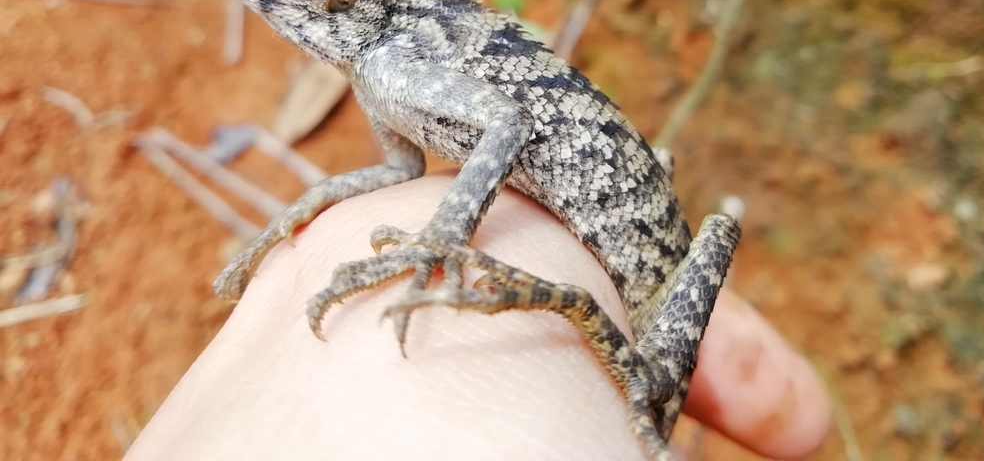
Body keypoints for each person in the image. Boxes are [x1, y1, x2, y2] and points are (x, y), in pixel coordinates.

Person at [126, 174, 832, 460]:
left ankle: (575, 307)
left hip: (644, 322)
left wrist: (568, 299)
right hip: (639, 275)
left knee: (650, 290)